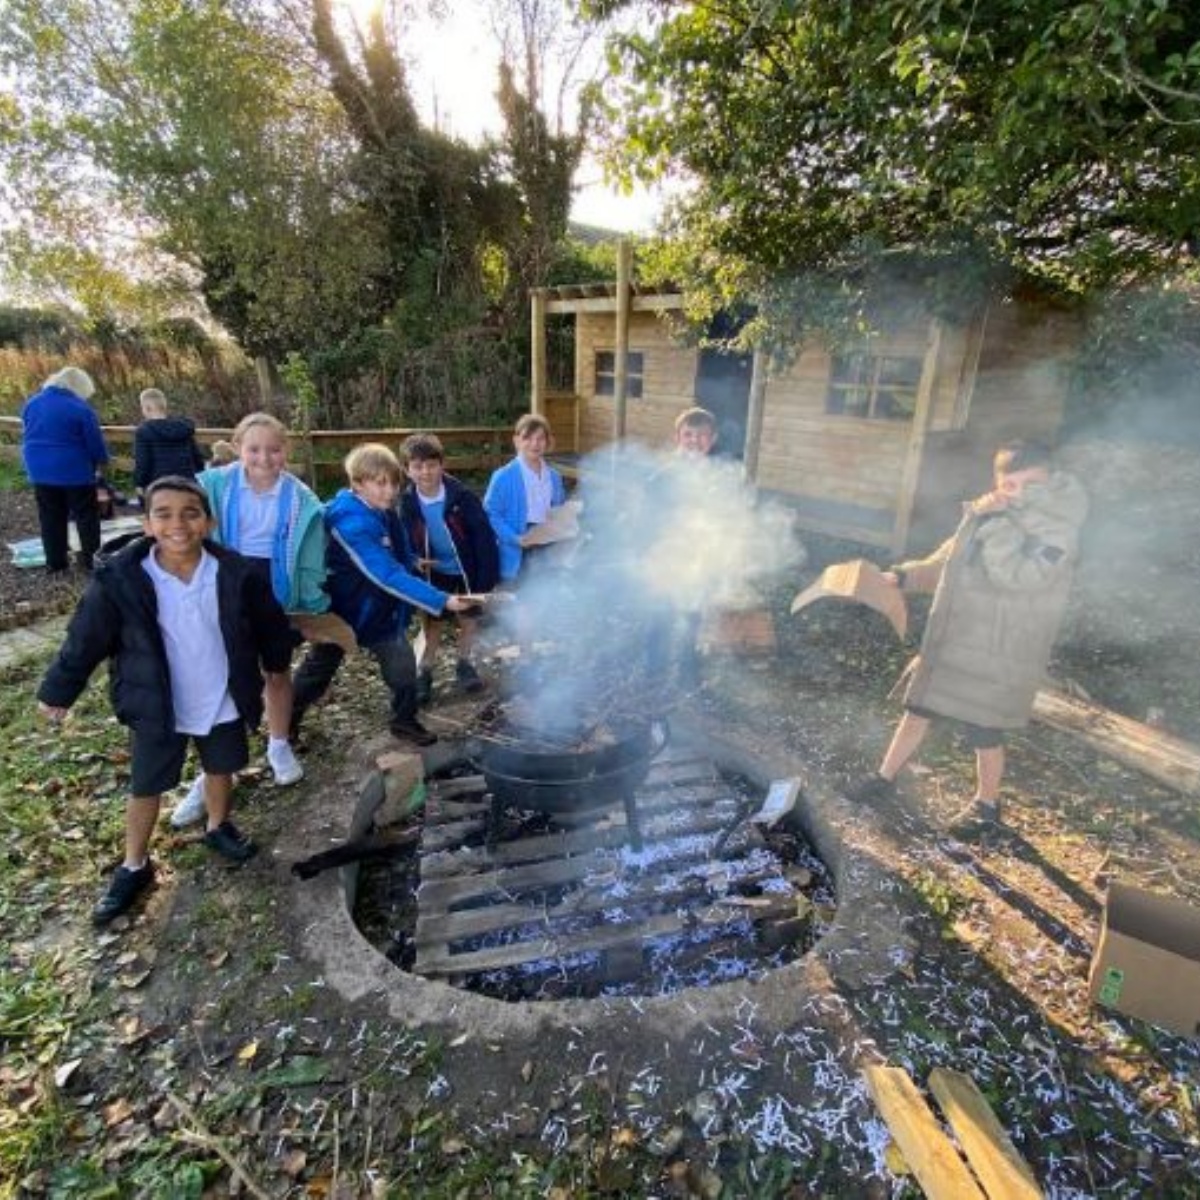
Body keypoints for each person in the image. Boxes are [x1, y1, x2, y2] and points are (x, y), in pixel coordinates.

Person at [37, 476, 296, 925]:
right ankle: (134, 865)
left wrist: (276, 660)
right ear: (148, 523)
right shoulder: (121, 578)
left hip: (222, 695)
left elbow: (268, 623)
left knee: (221, 765)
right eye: (165, 513)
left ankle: (218, 826)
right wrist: (60, 689)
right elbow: (86, 637)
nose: (178, 523)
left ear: (209, 522)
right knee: (147, 785)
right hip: (158, 702)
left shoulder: (236, 572)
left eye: (191, 513)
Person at [847, 440, 1088, 827]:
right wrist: (903, 576)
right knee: (918, 708)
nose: (1019, 494)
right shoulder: (990, 514)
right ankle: (884, 778)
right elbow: (948, 561)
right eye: (1010, 485)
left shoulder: (1059, 532)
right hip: (954, 637)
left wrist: (998, 526)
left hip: (1000, 650)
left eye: (1031, 485)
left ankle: (986, 806)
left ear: (1052, 480)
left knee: (985, 730)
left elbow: (1020, 578)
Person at [171, 412, 320, 825]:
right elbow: (174, 514)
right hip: (223, 590)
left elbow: (309, 554)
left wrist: (309, 604)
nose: (264, 458)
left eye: (274, 449)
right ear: (238, 448)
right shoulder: (212, 485)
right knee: (224, 676)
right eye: (254, 449)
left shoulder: (300, 497)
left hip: (274, 589)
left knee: (276, 670)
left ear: (285, 451)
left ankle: (278, 744)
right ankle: (212, 774)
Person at [321, 443, 472, 745]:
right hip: (347, 611)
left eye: (393, 483)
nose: (390, 491)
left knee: (403, 666)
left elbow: (390, 551)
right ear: (357, 484)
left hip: (380, 612)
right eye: (380, 483)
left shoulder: (381, 510)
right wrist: (442, 599)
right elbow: (385, 574)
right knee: (319, 669)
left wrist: (413, 560)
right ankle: (288, 722)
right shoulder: (350, 523)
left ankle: (404, 721)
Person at [399, 433, 499, 701]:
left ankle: (464, 664)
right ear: (407, 470)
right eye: (417, 466)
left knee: (468, 620)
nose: (425, 472)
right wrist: (412, 560)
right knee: (432, 624)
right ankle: (425, 671)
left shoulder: (462, 497)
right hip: (434, 571)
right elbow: (402, 540)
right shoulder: (406, 503)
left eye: (431, 465)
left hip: (468, 569)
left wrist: (486, 580)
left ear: (442, 465)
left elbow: (484, 537)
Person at [20, 366, 110, 574]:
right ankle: (91, 560)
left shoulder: (31, 403)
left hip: (39, 468)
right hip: (73, 470)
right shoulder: (80, 408)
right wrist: (102, 461)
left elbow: (28, 433)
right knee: (86, 515)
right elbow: (94, 443)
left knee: (50, 516)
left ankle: (56, 563)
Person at [483, 413, 568, 583]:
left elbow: (559, 511)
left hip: (548, 546)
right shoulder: (503, 476)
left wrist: (565, 521)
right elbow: (491, 515)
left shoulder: (554, 477)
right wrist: (515, 539)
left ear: (548, 441)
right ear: (516, 441)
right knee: (519, 601)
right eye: (527, 438)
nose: (535, 444)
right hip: (517, 548)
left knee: (546, 597)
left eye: (540, 438)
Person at [133, 387, 205, 494]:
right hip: (187, 482)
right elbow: (197, 458)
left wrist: (139, 483)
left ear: (147, 408)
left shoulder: (144, 431)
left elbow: (143, 462)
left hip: (158, 485)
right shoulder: (183, 428)